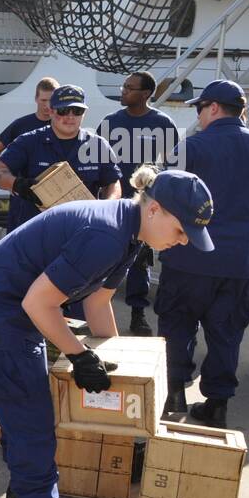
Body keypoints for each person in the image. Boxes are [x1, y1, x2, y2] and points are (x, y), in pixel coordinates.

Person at [0, 168, 215, 498]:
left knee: (31, 415)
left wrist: (121, 365)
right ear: (154, 209)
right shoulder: (105, 236)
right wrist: (80, 356)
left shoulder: (131, 235)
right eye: (182, 230)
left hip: (17, 313)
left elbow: (97, 305)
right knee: (33, 424)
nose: (182, 241)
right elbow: (39, 303)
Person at [157, 80, 249, 426]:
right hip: (237, 262)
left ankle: (174, 395)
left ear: (213, 108)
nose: (199, 115)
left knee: (177, 326)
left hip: (187, 258)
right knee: (226, 333)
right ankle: (217, 404)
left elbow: (162, 199)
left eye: (200, 108)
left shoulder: (191, 148)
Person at [101, 71, 180, 337]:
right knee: (101, 258)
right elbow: (96, 164)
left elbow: (172, 165)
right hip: (112, 203)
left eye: (129, 88)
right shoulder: (110, 123)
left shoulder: (162, 123)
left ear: (146, 94)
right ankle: (92, 310)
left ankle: (137, 313)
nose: (123, 91)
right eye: (124, 86)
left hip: (144, 205)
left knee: (139, 261)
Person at [0, 84, 122, 233]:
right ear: (51, 111)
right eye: (64, 110)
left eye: (77, 111)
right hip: (35, 233)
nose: (70, 117)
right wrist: (19, 185)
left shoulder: (98, 145)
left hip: (80, 232)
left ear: (84, 113)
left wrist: (106, 208)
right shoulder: (29, 142)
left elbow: (113, 183)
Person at [0, 76, 58, 171]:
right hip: (24, 184)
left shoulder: (63, 125)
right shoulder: (21, 124)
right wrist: (4, 177)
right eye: (43, 100)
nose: (47, 105)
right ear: (36, 99)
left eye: (51, 100)